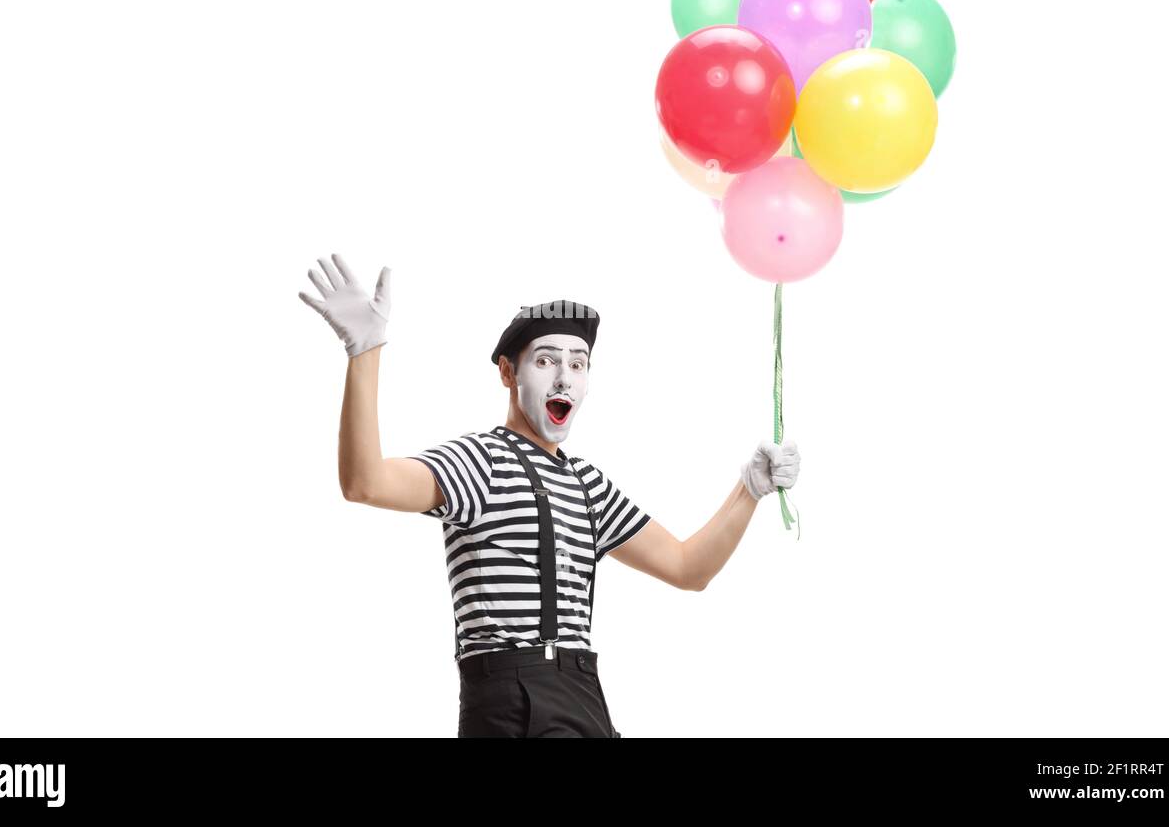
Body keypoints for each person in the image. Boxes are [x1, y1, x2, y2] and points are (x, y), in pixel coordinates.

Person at [299, 253, 801, 737]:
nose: (565, 377)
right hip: (510, 695)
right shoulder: (481, 462)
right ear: (507, 373)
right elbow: (365, 482)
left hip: (583, 691)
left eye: (578, 364)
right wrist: (364, 351)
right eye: (545, 360)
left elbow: (690, 568)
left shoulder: (589, 486)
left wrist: (749, 489)